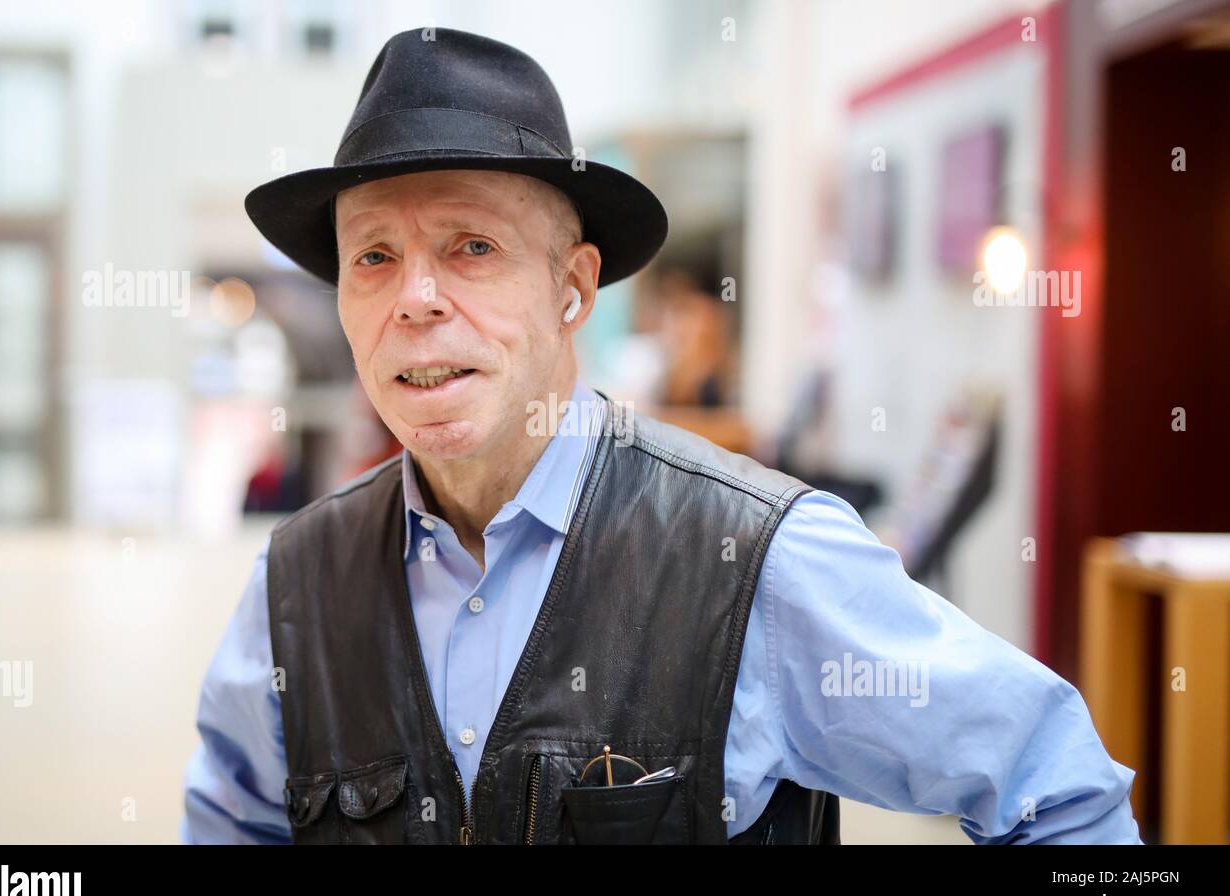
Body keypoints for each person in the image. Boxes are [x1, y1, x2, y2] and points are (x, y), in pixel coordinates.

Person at [180, 27, 1140, 844]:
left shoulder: (752, 559)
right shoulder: (294, 590)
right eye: (374, 258)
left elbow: (1058, 787)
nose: (416, 301)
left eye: (472, 247)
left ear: (575, 288)